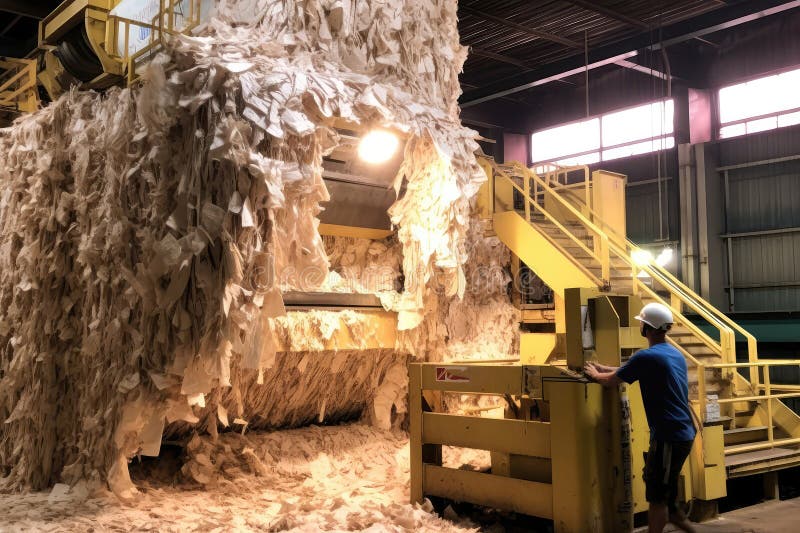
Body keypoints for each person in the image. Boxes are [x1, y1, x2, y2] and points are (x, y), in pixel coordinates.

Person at [584, 302, 697, 533]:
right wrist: (602, 367)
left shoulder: (646, 357)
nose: (640, 326)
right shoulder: (673, 354)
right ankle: (681, 521)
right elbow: (625, 369)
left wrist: (594, 374)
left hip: (668, 436)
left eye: (642, 323)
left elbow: (611, 380)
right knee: (667, 489)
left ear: (648, 328)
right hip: (683, 434)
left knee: (656, 497)